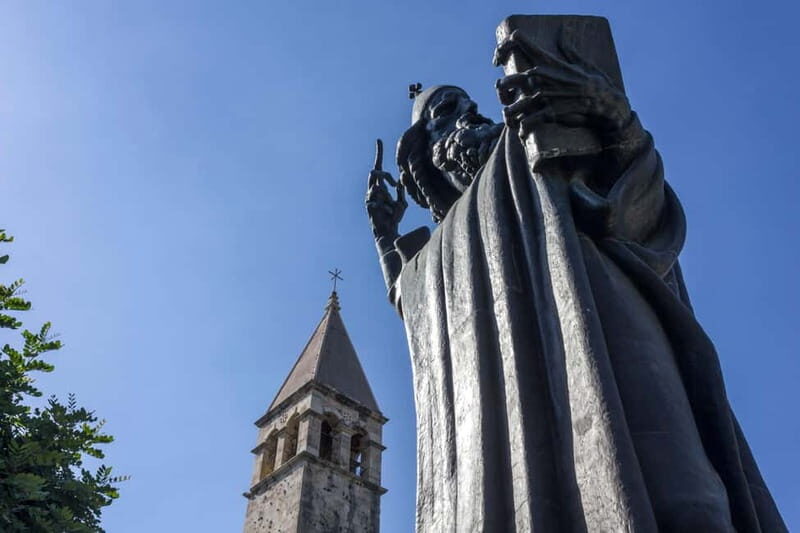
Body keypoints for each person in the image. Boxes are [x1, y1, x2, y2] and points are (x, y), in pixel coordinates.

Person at [366, 36, 786, 533]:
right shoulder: (443, 252)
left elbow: (629, 191)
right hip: (524, 415)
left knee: (689, 502)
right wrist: (385, 236)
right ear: (429, 155)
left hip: (611, 335)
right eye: (448, 108)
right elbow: (411, 299)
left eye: (467, 99)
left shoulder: (537, 142)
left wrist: (607, 111)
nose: (472, 109)